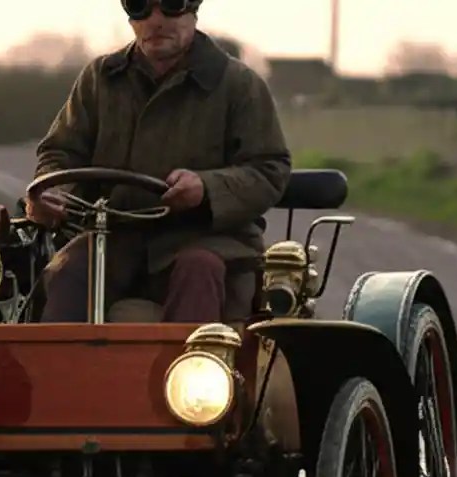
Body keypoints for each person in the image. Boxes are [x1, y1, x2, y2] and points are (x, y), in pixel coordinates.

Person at [27, 0, 292, 324]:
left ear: (193, 10)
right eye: (139, 7)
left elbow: (269, 169)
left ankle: (192, 370)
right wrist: (54, 189)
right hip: (114, 236)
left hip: (208, 239)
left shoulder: (238, 84)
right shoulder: (100, 80)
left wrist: (206, 188)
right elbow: (60, 152)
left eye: (170, 6)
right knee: (68, 270)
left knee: (199, 271)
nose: (155, 20)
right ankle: (57, 372)